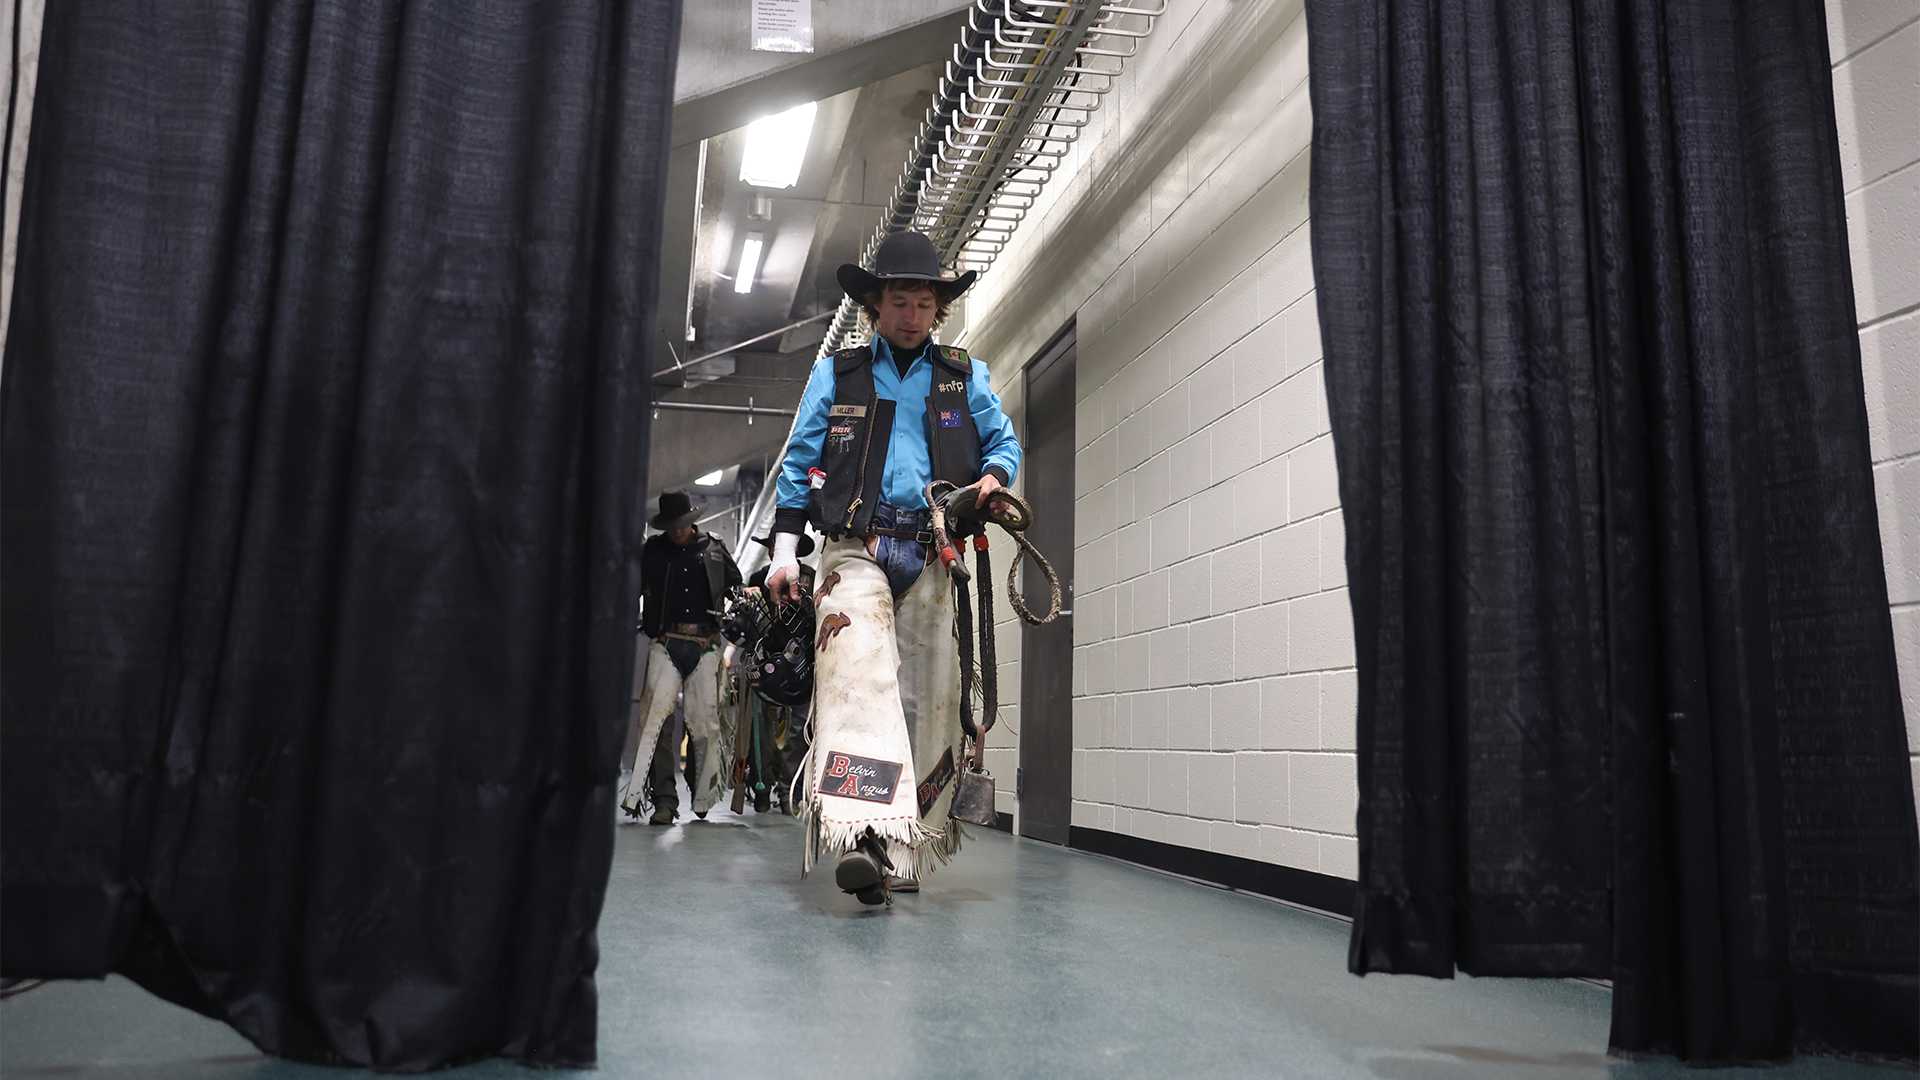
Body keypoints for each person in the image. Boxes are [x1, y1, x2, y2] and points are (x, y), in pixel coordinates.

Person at [765, 230, 1021, 905]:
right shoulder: (841, 373)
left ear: (938, 311)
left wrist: (993, 479)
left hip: (935, 547)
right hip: (855, 547)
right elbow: (799, 466)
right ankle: (863, 831)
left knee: (932, 702)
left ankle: (905, 844)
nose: (911, 315)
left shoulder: (964, 376)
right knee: (857, 676)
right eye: (900, 301)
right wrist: (786, 550)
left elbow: (1003, 443)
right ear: (877, 306)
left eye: (923, 304)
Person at [622, 491, 743, 824]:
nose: (677, 531)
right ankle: (663, 800)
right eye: (672, 525)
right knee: (654, 721)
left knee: (705, 724)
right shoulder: (653, 552)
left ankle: (702, 795)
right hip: (666, 640)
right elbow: (633, 589)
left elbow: (736, 586)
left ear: (692, 521)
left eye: (682, 524)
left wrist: (740, 608)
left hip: (705, 642)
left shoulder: (714, 548)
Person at [740, 532, 817, 814]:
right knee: (761, 729)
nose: (775, 551)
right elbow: (749, 622)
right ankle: (763, 784)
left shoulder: (810, 576)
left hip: (800, 664)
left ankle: (789, 790)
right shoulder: (759, 578)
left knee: (799, 729)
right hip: (766, 662)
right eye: (772, 547)